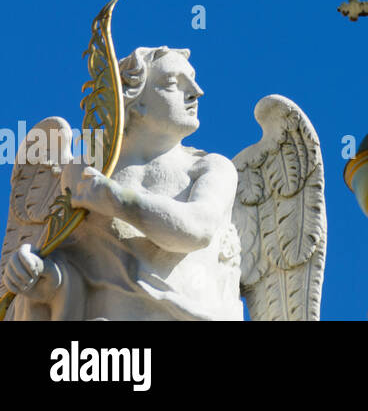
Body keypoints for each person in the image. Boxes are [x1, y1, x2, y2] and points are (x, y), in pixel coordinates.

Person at [1, 47, 242, 321]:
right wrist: (37, 273)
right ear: (134, 100)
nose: (196, 92)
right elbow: (71, 265)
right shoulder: (84, 171)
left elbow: (198, 228)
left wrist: (112, 198)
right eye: (174, 83)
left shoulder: (210, 168)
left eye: (193, 79)